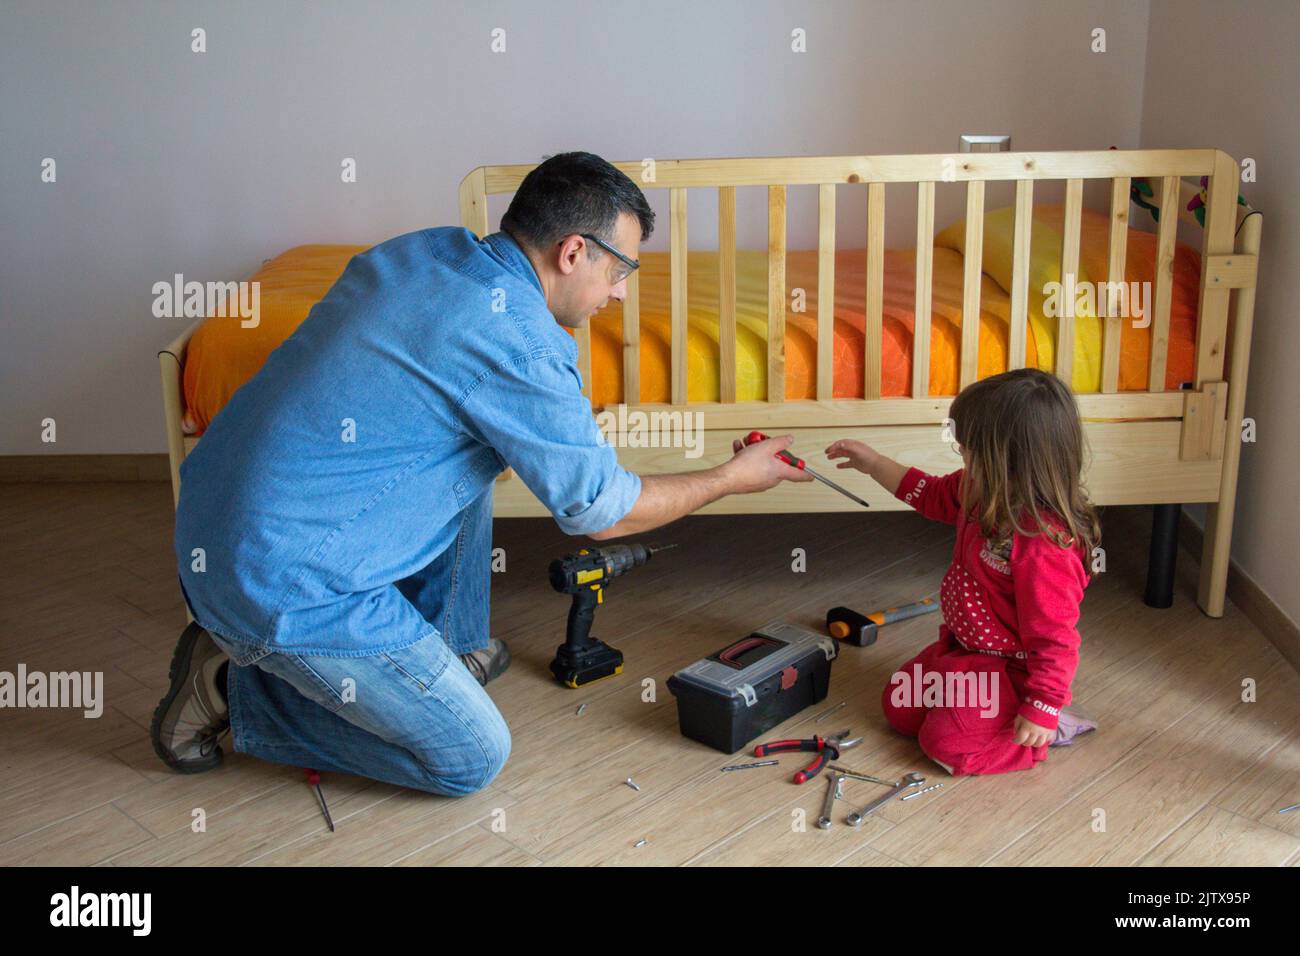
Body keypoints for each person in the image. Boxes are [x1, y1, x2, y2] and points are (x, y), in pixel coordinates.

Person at [152, 151, 811, 794]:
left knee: (473, 448)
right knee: (470, 758)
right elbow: (603, 514)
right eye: (622, 267)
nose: (620, 290)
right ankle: (233, 691)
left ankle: (453, 648)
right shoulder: (520, 344)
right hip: (285, 581)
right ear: (574, 251)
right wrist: (730, 477)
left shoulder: (426, 250)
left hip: (215, 520)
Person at [825, 368, 1100, 775]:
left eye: (968, 448)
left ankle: (1047, 732)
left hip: (1012, 673)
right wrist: (875, 464)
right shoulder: (981, 487)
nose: (961, 454)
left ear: (1007, 461)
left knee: (945, 746)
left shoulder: (1044, 546)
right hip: (963, 652)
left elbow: (1055, 639)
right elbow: (930, 494)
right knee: (898, 709)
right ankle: (971, 706)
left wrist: (1042, 705)